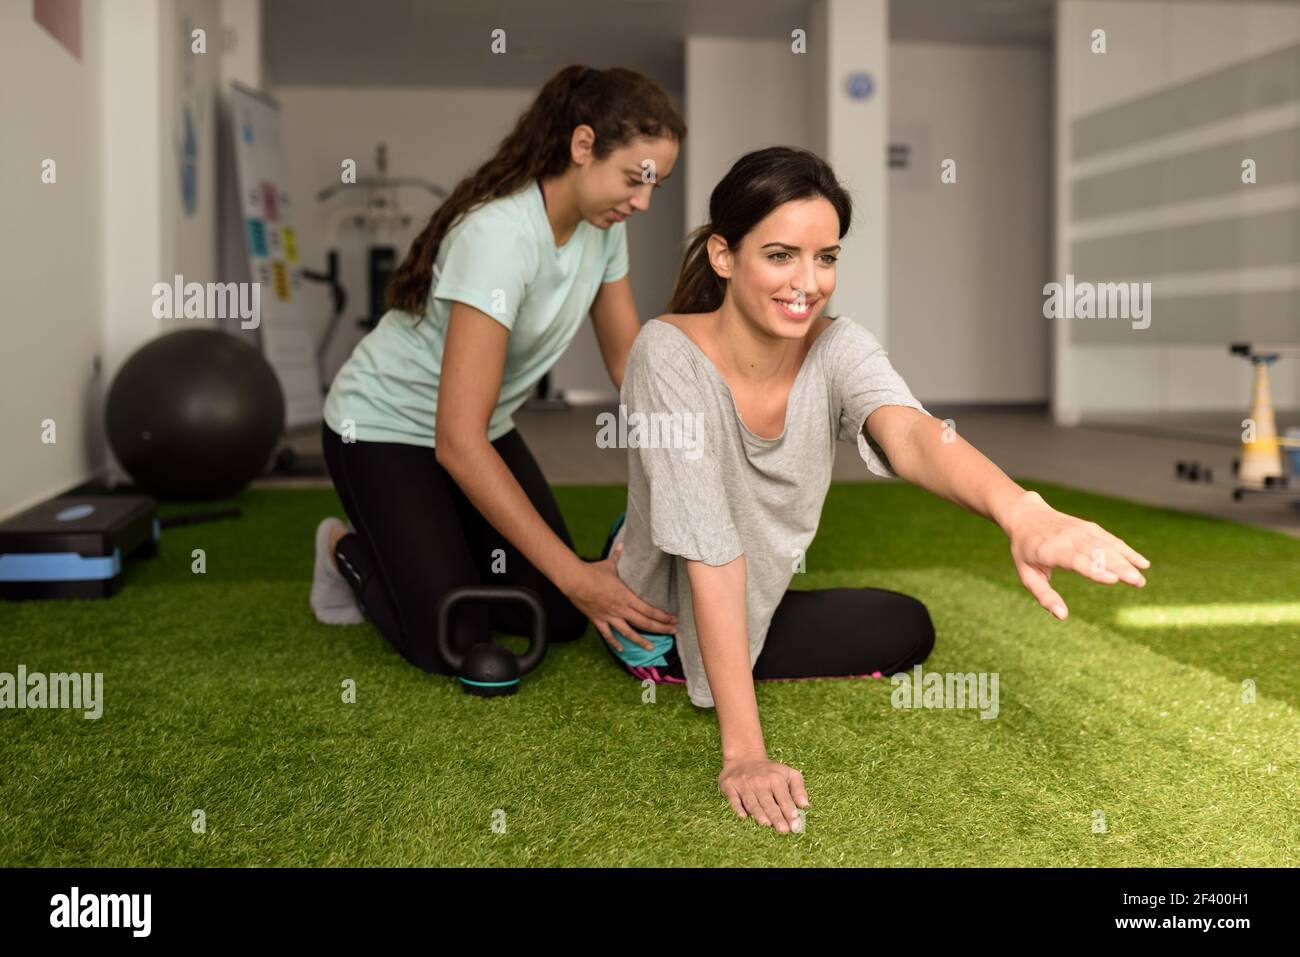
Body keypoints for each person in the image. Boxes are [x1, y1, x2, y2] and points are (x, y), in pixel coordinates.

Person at [602, 146, 1153, 833]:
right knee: (709, 596)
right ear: (723, 256)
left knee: (904, 626)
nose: (808, 282)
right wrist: (745, 752)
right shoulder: (665, 353)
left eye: (825, 257)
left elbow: (916, 434)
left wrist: (1022, 510)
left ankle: (632, 552)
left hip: (738, 574)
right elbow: (710, 549)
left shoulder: (838, 347)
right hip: (667, 606)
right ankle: (622, 581)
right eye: (780, 255)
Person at [309, 64, 686, 675]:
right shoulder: (499, 238)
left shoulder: (601, 228)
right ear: (583, 145)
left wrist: (689, 438)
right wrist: (576, 576)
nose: (642, 201)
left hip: (478, 427)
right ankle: (340, 549)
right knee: (454, 641)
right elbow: (456, 442)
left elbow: (627, 362)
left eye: (654, 186)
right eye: (634, 178)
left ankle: (446, 537)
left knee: (560, 617)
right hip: (382, 429)